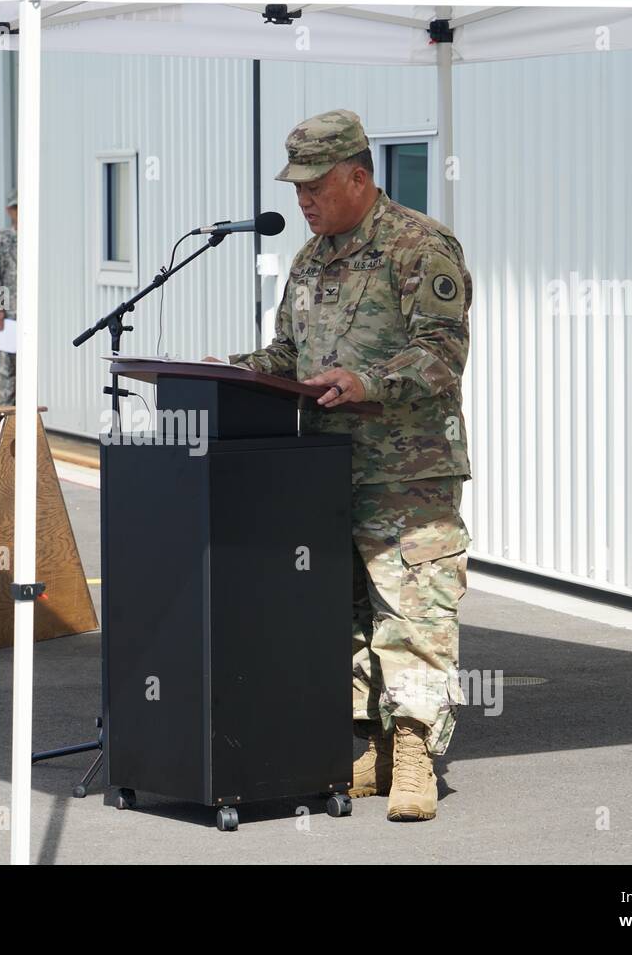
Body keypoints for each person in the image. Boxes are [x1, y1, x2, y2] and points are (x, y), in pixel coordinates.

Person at [222, 110, 472, 822]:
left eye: (315, 185)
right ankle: (370, 743)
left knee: (414, 606)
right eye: (295, 187)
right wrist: (227, 370)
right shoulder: (309, 260)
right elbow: (286, 357)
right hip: (323, 471)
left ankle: (418, 750)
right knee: (344, 612)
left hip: (408, 472)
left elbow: (442, 355)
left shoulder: (420, 247)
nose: (301, 200)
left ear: (358, 177)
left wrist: (371, 382)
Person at [0, 189, 18, 405]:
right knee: (8, 371)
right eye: (16, 207)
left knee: (27, 371)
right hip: (9, 315)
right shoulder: (3, 239)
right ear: (10, 210)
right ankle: (5, 419)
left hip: (28, 314)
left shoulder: (34, 236)